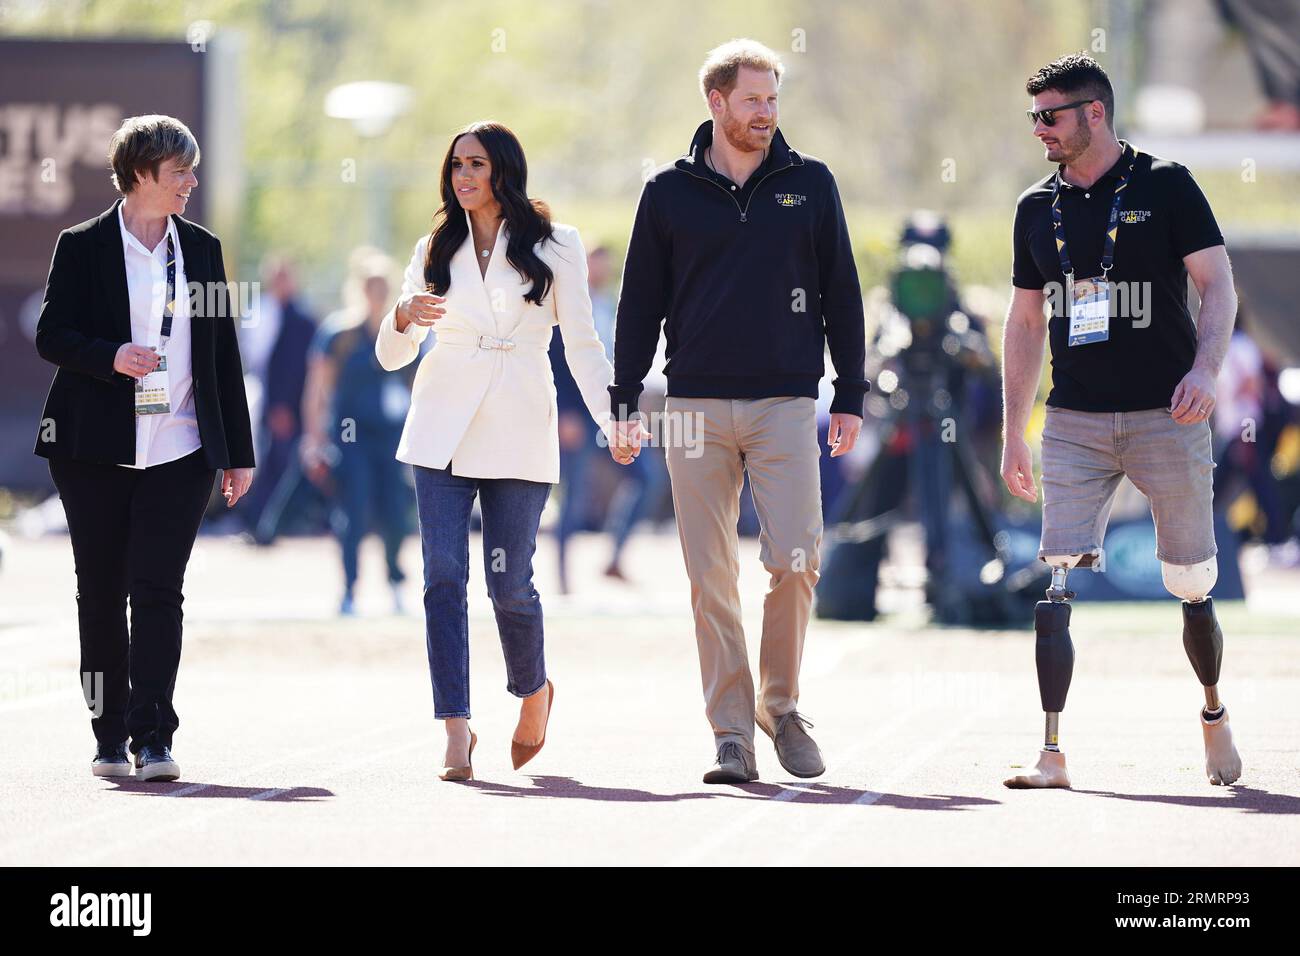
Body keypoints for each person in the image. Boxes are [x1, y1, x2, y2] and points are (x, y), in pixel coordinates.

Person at [610, 39, 868, 784]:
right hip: (689, 403)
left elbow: (842, 292)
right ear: (716, 103)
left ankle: (780, 705)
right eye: (753, 99)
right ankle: (731, 734)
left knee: (795, 558)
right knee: (709, 576)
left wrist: (848, 392)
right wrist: (625, 401)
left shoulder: (810, 184)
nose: (767, 112)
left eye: (773, 99)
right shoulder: (666, 191)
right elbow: (639, 305)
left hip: (787, 400)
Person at [1000, 53, 1242, 789]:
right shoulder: (1033, 207)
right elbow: (1023, 320)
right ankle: (1051, 755)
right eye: (1034, 116)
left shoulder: (1166, 185)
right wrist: (1016, 428)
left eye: (1051, 115)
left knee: (1191, 580)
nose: (1039, 129)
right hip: (1072, 418)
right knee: (1055, 580)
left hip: (1167, 414)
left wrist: (1205, 372)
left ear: (1094, 113)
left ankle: (1212, 714)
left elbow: (1217, 284)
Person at [375, 121, 618, 781]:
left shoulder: (557, 245)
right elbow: (393, 354)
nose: (463, 176)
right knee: (442, 577)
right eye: (455, 165)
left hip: (518, 426)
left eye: (476, 164)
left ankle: (533, 691)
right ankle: (455, 729)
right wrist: (400, 317)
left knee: (509, 585)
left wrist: (613, 420)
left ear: (504, 170)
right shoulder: (433, 247)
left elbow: (584, 347)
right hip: (440, 431)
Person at [32, 114, 255, 782]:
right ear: (140, 174)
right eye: (179, 171)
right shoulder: (83, 246)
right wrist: (112, 357)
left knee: (158, 590)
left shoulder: (204, 249)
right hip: (93, 451)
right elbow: (51, 336)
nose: (191, 181)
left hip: (182, 448)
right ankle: (107, 736)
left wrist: (235, 451)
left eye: (191, 170)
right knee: (99, 593)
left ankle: (154, 735)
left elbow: (221, 354)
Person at [301, 252, 412, 616]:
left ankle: (396, 581)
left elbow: (417, 386)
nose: (377, 293)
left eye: (383, 286)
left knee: (396, 512)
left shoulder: (401, 332)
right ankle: (349, 589)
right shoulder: (340, 334)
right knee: (354, 510)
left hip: (391, 437)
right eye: (371, 286)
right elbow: (317, 390)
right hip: (351, 438)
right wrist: (314, 438)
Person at [238, 255, 317, 538]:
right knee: (271, 464)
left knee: (285, 466)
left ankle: (268, 526)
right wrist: (275, 405)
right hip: (272, 403)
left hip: (295, 405)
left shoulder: (303, 320)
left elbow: (302, 368)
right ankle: (260, 525)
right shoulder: (263, 312)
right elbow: (261, 363)